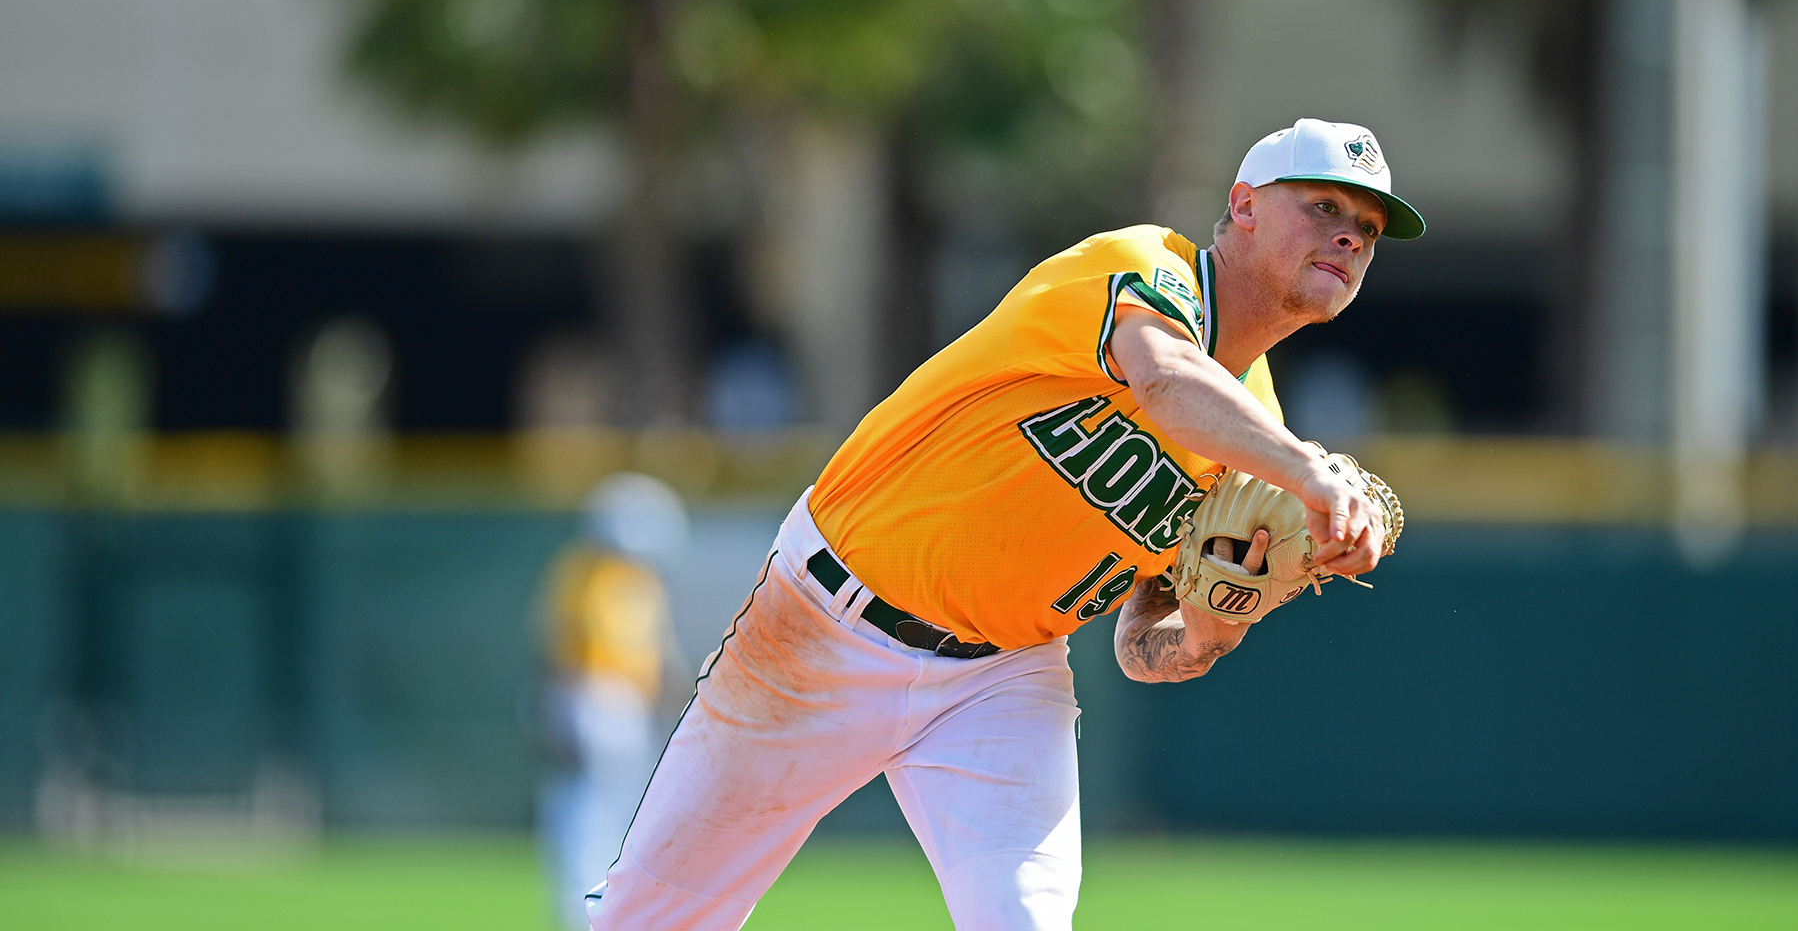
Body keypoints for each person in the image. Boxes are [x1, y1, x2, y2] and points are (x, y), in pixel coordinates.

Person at [586, 119, 1425, 931]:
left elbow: (1142, 640)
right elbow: (1166, 380)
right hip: (824, 626)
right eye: (1324, 206)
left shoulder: (1257, 436)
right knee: (649, 923)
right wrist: (1308, 471)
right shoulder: (1143, 266)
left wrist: (1212, 626)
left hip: (1001, 680)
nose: (1349, 236)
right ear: (1244, 205)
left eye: (1368, 228)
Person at [538, 473, 692, 931]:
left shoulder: (640, 580)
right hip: (592, 698)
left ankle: (612, 906)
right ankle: (581, 906)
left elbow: (659, 655)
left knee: (621, 810)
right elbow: (561, 648)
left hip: (629, 706)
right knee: (591, 806)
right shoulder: (584, 571)